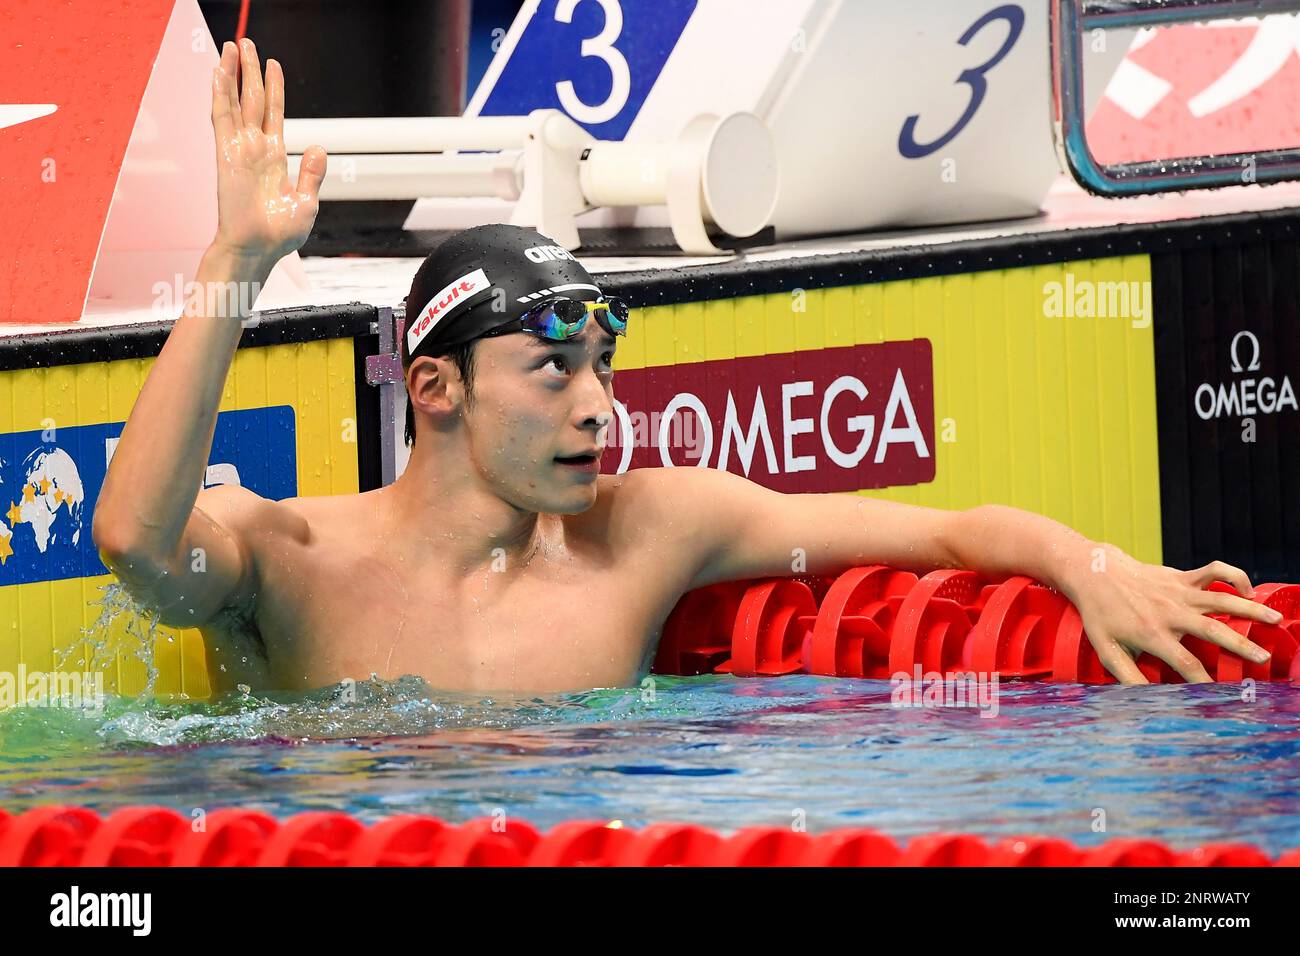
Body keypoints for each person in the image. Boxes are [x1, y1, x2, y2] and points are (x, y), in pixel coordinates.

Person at [93, 38, 1279, 695]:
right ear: (436, 386)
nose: (598, 407)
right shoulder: (293, 561)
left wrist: (1092, 560)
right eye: (552, 369)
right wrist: (235, 259)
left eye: (601, 365)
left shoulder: (647, 527)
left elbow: (951, 533)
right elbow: (134, 541)